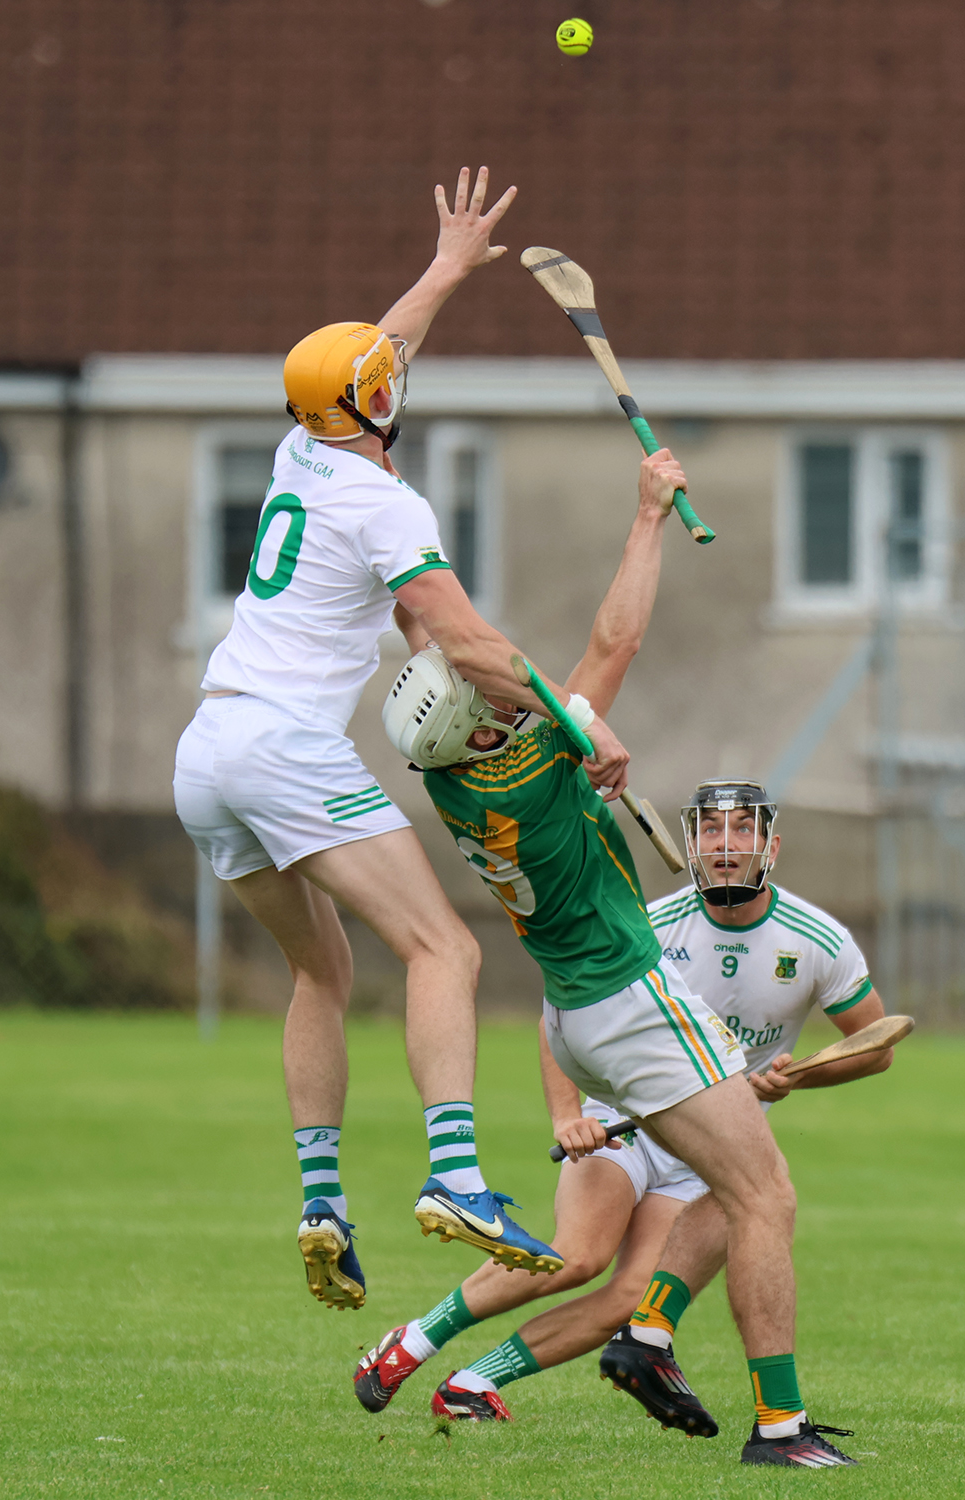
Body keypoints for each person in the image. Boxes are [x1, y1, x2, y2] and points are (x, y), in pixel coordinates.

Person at [172, 167, 631, 1314]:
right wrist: (572, 719)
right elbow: (465, 642)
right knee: (447, 953)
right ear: (381, 405)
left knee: (321, 970)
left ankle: (323, 1202)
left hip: (206, 754)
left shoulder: (301, 451)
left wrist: (446, 263)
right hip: (285, 750)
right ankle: (459, 1177)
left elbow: (375, 351)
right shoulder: (390, 505)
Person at [379, 443, 861, 1466]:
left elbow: (425, 625)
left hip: (573, 1015)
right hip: (632, 1001)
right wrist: (647, 515)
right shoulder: (533, 763)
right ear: (477, 723)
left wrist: (390, 515)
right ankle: (779, 1427)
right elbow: (617, 637)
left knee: (699, 1207)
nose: (501, 678)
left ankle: (633, 1337)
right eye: (487, 686)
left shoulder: (457, 774)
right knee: (761, 1195)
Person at [352, 790, 889, 1476]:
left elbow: (875, 1042)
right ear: (691, 846)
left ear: (771, 848)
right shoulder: (650, 925)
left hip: (708, 1154)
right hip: (619, 1128)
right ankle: (412, 1343)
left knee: (634, 1300)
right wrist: (565, 1115)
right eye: (712, 831)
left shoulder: (817, 940)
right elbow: (566, 1006)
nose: (726, 845)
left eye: (743, 831)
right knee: (578, 1255)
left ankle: (471, 1385)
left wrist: (800, 1077)